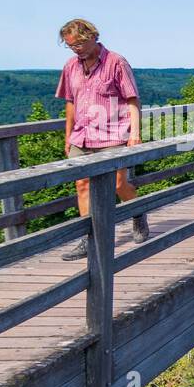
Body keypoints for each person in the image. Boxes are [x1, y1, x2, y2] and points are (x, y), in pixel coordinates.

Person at [56, 19, 147, 261]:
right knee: (82, 184)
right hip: (82, 136)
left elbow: (132, 100)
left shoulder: (116, 62)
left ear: (92, 37)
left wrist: (135, 134)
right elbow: (70, 102)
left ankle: (137, 213)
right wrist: (68, 136)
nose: (77, 50)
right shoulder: (70, 66)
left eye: (79, 44)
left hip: (113, 133)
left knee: (118, 184)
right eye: (71, 46)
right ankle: (89, 239)